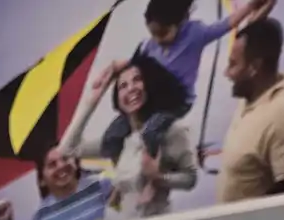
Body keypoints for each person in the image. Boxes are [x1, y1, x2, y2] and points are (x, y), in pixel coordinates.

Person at [98, 0, 274, 162]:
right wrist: (112, 71)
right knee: (111, 137)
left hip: (176, 102)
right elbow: (133, 67)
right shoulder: (149, 45)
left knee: (150, 133)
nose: (158, 39)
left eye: (163, 33)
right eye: (153, 34)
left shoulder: (195, 34)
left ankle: (151, 171)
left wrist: (251, 6)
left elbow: (227, 24)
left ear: (180, 22)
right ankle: (121, 174)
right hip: (150, 100)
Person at [62, 54, 198, 219]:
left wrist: (158, 178)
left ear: (148, 85)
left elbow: (191, 178)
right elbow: (68, 150)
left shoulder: (171, 130)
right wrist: (94, 98)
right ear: (117, 99)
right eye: (123, 86)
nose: (131, 88)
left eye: (137, 80)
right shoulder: (118, 140)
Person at [218, 16, 284, 198]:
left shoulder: (282, 113)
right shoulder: (251, 93)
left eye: (233, 64)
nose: (226, 73)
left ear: (254, 67)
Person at [0, 144, 114, 220]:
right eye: (52, 165)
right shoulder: (41, 215)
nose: (61, 166)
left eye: (65, 159)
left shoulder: (102, 186)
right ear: (42, 180)